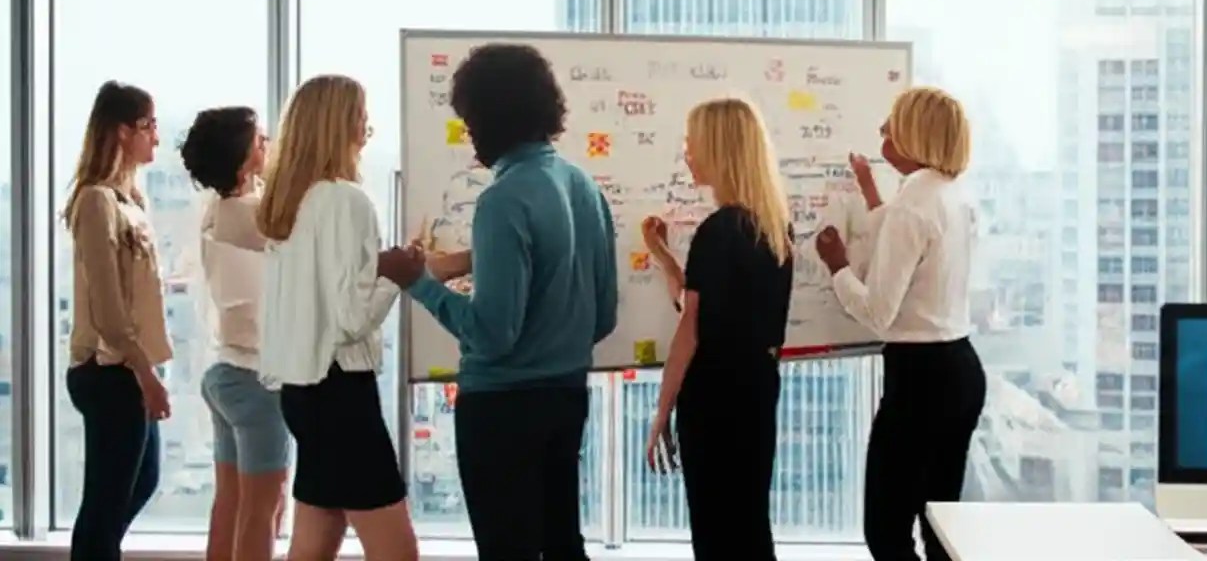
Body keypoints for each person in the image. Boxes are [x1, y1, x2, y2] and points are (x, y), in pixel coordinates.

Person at [385, 43, 618, 561]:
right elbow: (602, 317)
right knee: (562, 544)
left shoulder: (503, 200)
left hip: (501, 407)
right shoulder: (584, 187)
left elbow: (492, 334)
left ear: (493, 117)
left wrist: (418, 283)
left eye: (470, 122)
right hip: (566, 396)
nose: (468, 137)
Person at [813, 86, 986, 561]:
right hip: (960, 368)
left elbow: (878, 314)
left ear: (915, 134)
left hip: (921, 379)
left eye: (892, 121)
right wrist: (869, 190)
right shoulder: (952, 194)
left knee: (886, 530)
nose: (882, 129)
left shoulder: (913, 206)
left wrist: (837, 267)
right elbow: (911, 245)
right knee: (939, 526)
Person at [255, 75, 418, 561]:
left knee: (316, 536)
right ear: (341, 124)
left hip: (302, 393)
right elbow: (351, 317)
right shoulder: (347, 200)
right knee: (396, 551)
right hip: (342, 390)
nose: (367, 127)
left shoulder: (290, 205)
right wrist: (394, 277)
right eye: (360, 115)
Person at [640, 97, 794, 560]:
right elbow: (705, 306)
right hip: (755, 390)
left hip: (713, 397)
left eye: (692, 142)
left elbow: (691, 330)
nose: (687, 153)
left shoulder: (718, 229)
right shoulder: (773, 227)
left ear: (719, 148)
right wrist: (665, 258)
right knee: (746, 522)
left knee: (715, 530)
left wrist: (661, 412)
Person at [63, 80, 172, 561]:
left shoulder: (130, 202)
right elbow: (107, 308)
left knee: (139, 483)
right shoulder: (96, 202)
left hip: (126, 370)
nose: (155, 136)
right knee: (105, 507)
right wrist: (146, 374)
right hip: (109, 371)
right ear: (121, 131)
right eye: (148, 125)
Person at [179, 106, 287, 561]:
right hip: (256, 380)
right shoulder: (250, 214)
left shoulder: (218, 209)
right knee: (265, 509)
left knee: (231, 504)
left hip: (226, 373)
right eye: (260, 141)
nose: (268, 146)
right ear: (243, 159)